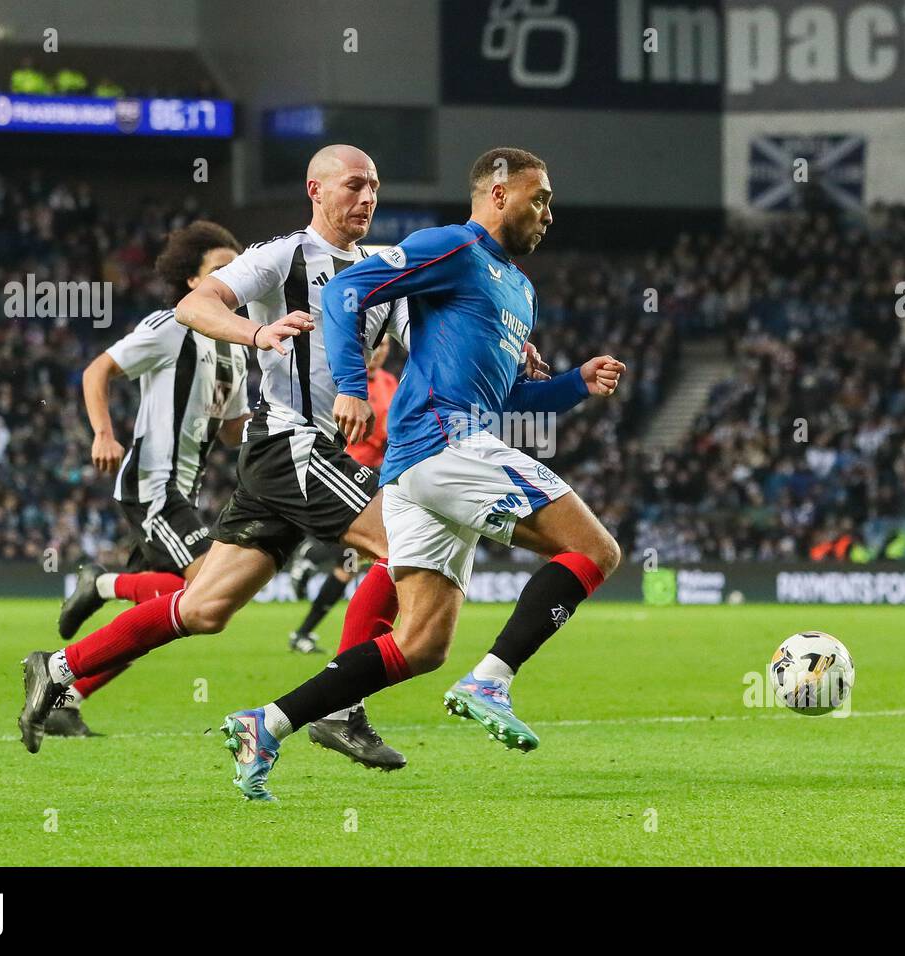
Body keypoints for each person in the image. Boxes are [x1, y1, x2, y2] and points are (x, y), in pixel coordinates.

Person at [219, 147, 626, 801]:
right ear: (498, 194)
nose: (548, 212)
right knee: (594, 549)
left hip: (423, 468)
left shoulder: (519, 289)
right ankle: (492, 678)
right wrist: (352, 385)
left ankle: (264, 725)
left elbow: (508, 401)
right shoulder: (453, 248)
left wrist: (578, 383)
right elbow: (349, 290)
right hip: (442, 445)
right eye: (539, 196)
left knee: (421, 644)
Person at [18, 145, 410, 770]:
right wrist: (259, 331)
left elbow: (428, 339)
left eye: (375, 187)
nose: (367, 198)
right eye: (354, 186)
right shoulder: (280, 257)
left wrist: (508, 352)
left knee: (203, 608)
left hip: (277, 454)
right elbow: (194, 306)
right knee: (405, 543)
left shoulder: (386, 272)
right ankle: (340, 707)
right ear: (315, 189)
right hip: (292, 445)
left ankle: (60, 667)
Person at [49, 221, 250, 737]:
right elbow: (98, 371)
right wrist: (103, 434)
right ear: (191, 282)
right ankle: (100, 582)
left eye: (237, 268)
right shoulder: (171, 326)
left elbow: (231, 433)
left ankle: (63, 698)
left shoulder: (237, 346)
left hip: (186, 491)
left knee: (159, 616)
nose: (233, 278)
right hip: (152, 485)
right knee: (207, 584)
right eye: (219, 269)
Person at [288, 336, 398, 654]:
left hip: (375, 477)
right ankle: (311, 555)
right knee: (366, 553)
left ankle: (303, 632)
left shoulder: (389, 381)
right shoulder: (346, 379)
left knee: (349, 565)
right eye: (377, 346)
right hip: (344, 471)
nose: (380, 354)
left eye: (387, 349)